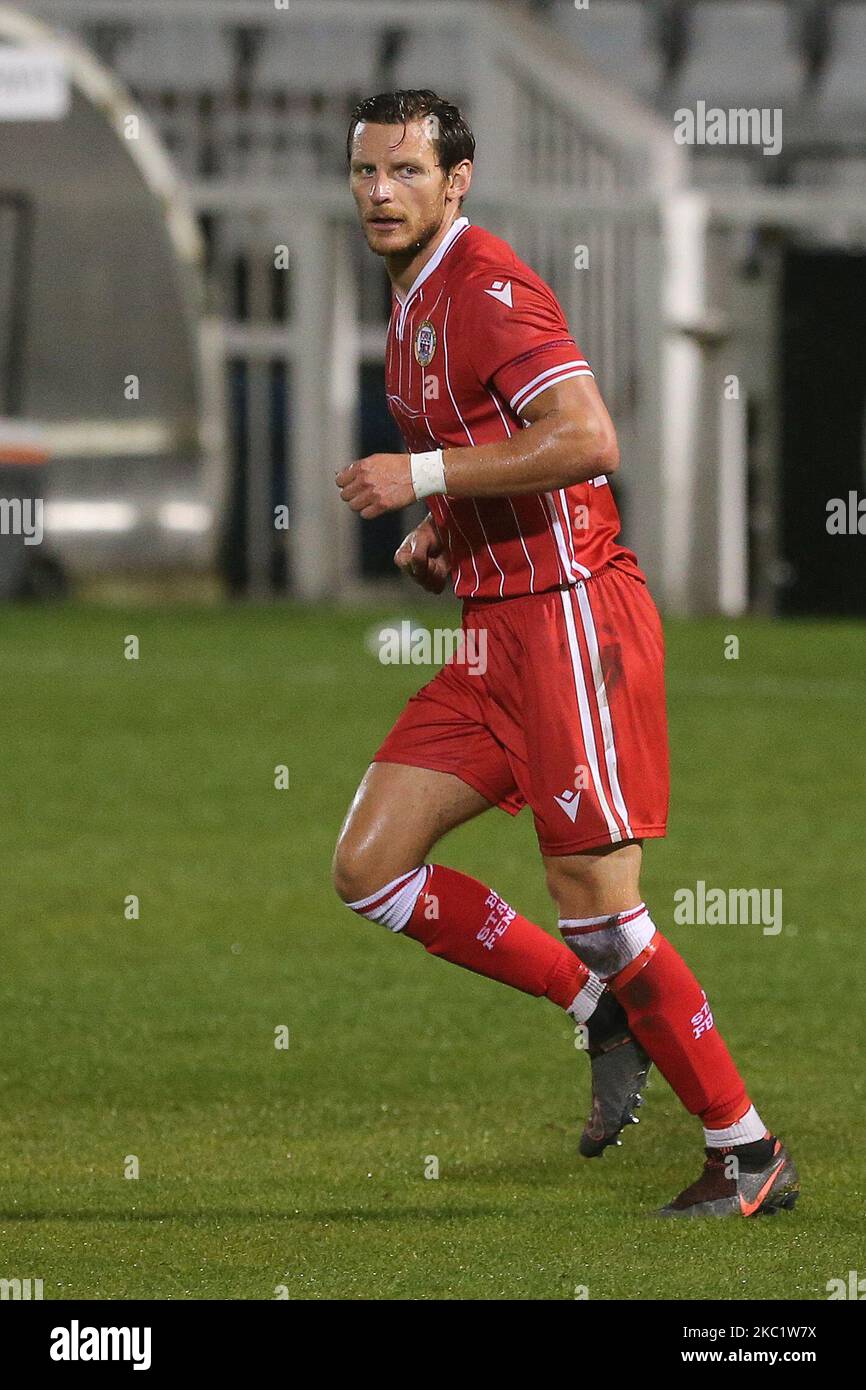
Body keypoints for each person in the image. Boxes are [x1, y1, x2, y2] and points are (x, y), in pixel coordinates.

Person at [332, 89, 798, 1216]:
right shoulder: (410, 301)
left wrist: (422, 481)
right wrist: (447, 532)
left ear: (457, 182)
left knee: (597, 906)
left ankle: (746, 1150)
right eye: (364, 173)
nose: (380, 192)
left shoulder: (486, 286)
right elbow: (508, 445)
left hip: (569, 622)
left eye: (404, 172)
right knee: (368, 867)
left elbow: (588, 436)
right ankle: (594, 1010)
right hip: (492, 627)